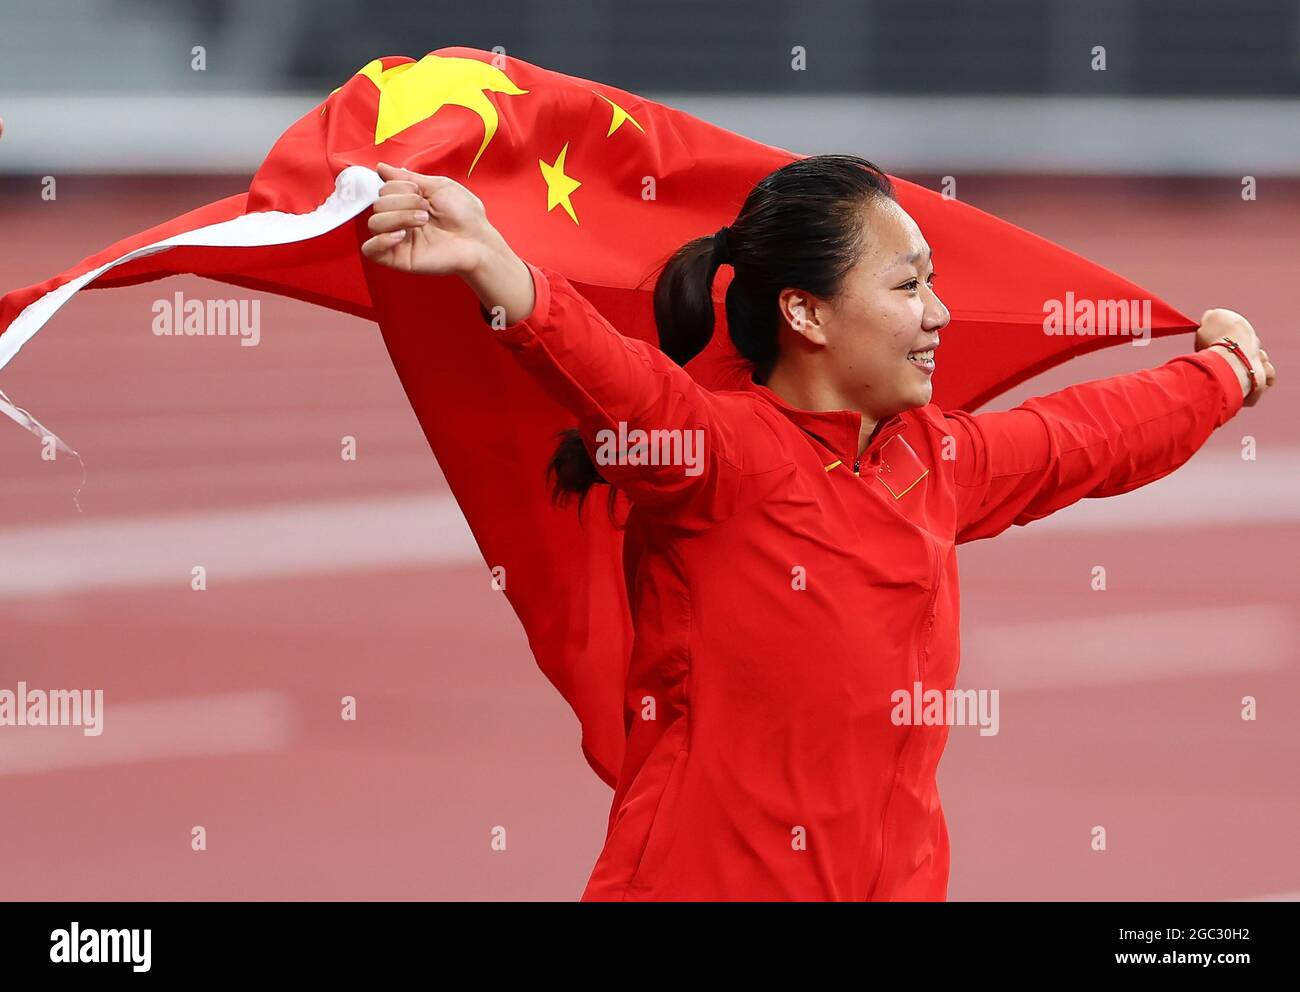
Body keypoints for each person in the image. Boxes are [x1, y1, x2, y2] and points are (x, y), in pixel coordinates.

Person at [362, 154, 1275, 900]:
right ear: (804, 312)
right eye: (908, 284)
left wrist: (1221, 375)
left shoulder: (936, 463)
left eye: (934, 283)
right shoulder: (714, 456)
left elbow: (1084, 438)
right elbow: (614, 378)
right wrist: (495, 266)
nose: (938, 313)